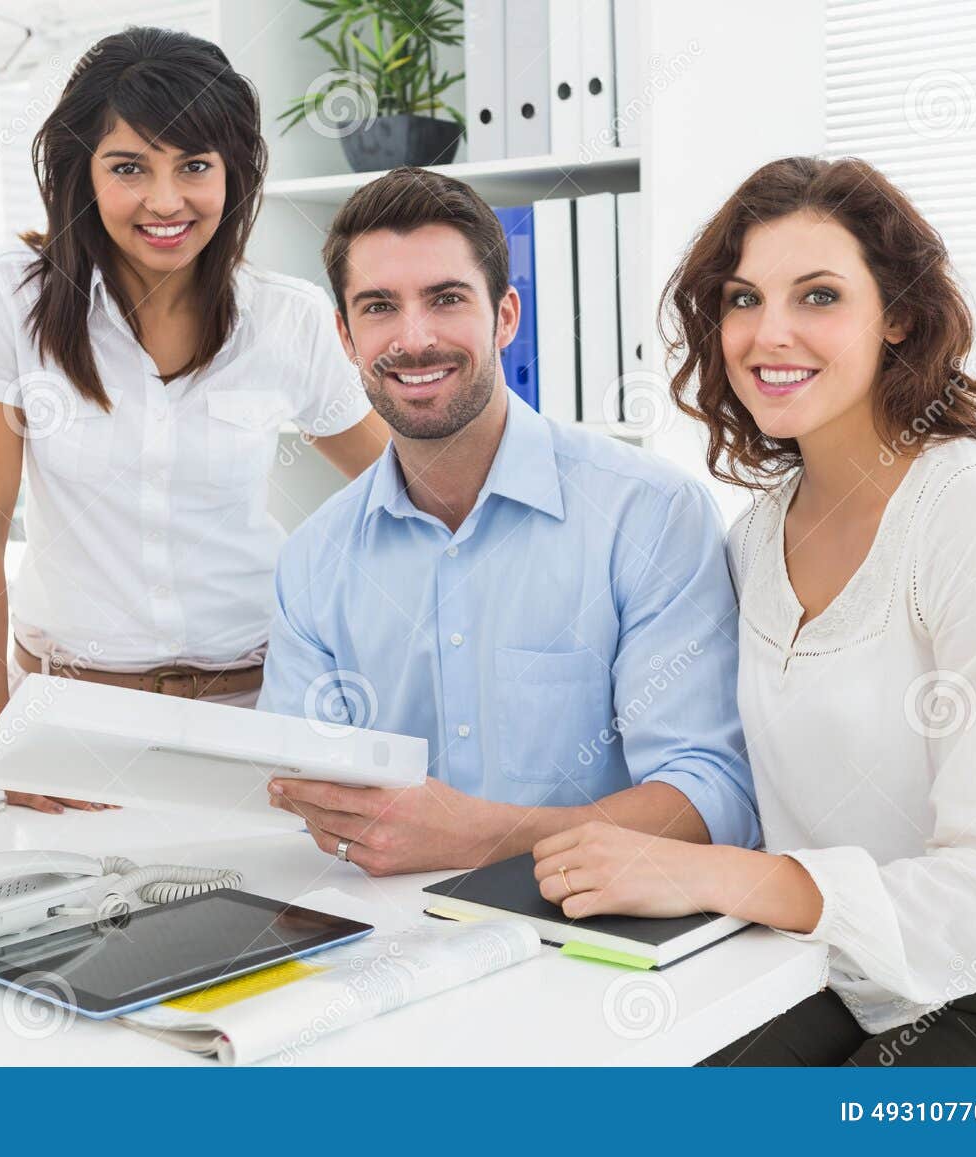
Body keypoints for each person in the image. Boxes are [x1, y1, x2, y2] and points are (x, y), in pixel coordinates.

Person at [530, 156, 976, 1066]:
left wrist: (709, 873)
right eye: (743, 299)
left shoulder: (971, 514)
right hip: (848, 977)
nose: (768, 332)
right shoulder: (751, 540)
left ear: (898, 316)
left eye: (819, 296)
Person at [0, 28, 389, 812]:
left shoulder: (288, 319)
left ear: (232, 174)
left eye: (195, 167)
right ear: (83, 173)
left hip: (259, 721)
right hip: (70, 728)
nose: (166, 200)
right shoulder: (8, 304)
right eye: (130, 167)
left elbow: (406, 497)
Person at [254, 167, 760, 875]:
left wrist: (485, 837)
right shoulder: (314, 559)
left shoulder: (647, 515)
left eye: (446, 298)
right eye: (378, 307)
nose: (414, 337)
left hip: (596, 941)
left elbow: (712, 797)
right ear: (345, 336)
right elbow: (299, 793)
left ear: (506, 316)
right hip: (385, 941)